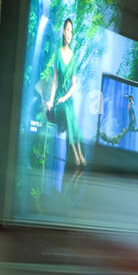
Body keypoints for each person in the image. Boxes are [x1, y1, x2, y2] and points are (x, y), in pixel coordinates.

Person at [46, 17, 86, 168]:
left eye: (71, 31)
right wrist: (51, 101)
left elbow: (74, 85)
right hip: (58, 100)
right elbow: (55, 82)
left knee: (72, 116)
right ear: (63, 31)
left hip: (67, 98)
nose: (69, 33)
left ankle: (80, 154)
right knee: (68, 114)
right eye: (67, 30)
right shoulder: (57, 53)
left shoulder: (74, 57)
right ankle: (77, 154)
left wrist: (65, 97)